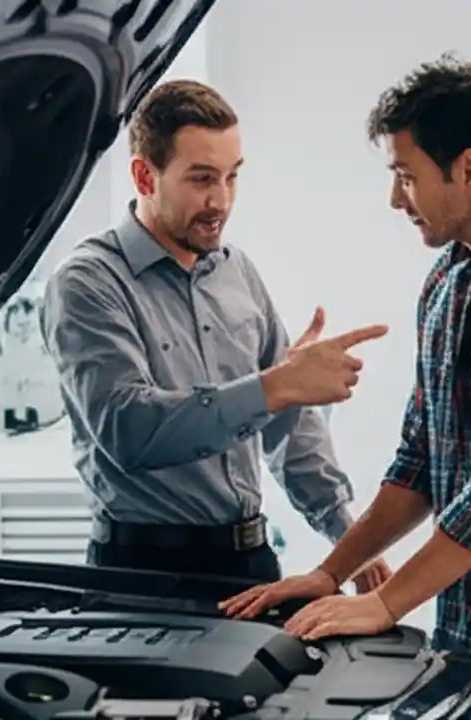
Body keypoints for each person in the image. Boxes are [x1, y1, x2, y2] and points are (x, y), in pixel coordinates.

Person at [41, 79, 392, 585]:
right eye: (202, 179)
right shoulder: (88, 282)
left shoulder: (236, 270)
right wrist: (276, 385)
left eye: (232, 177)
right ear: (144, 176)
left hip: (250, 562)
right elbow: (128, 429)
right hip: (143, 572)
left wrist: (346, 533)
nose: (222, 201)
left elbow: (287, 423)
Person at [220, 55, 471, 646]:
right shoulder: (446, 282)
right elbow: (421, 460)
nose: (395, 199)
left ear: (467, 167)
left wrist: (386, 602)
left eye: (406, 176)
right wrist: (331, 572)